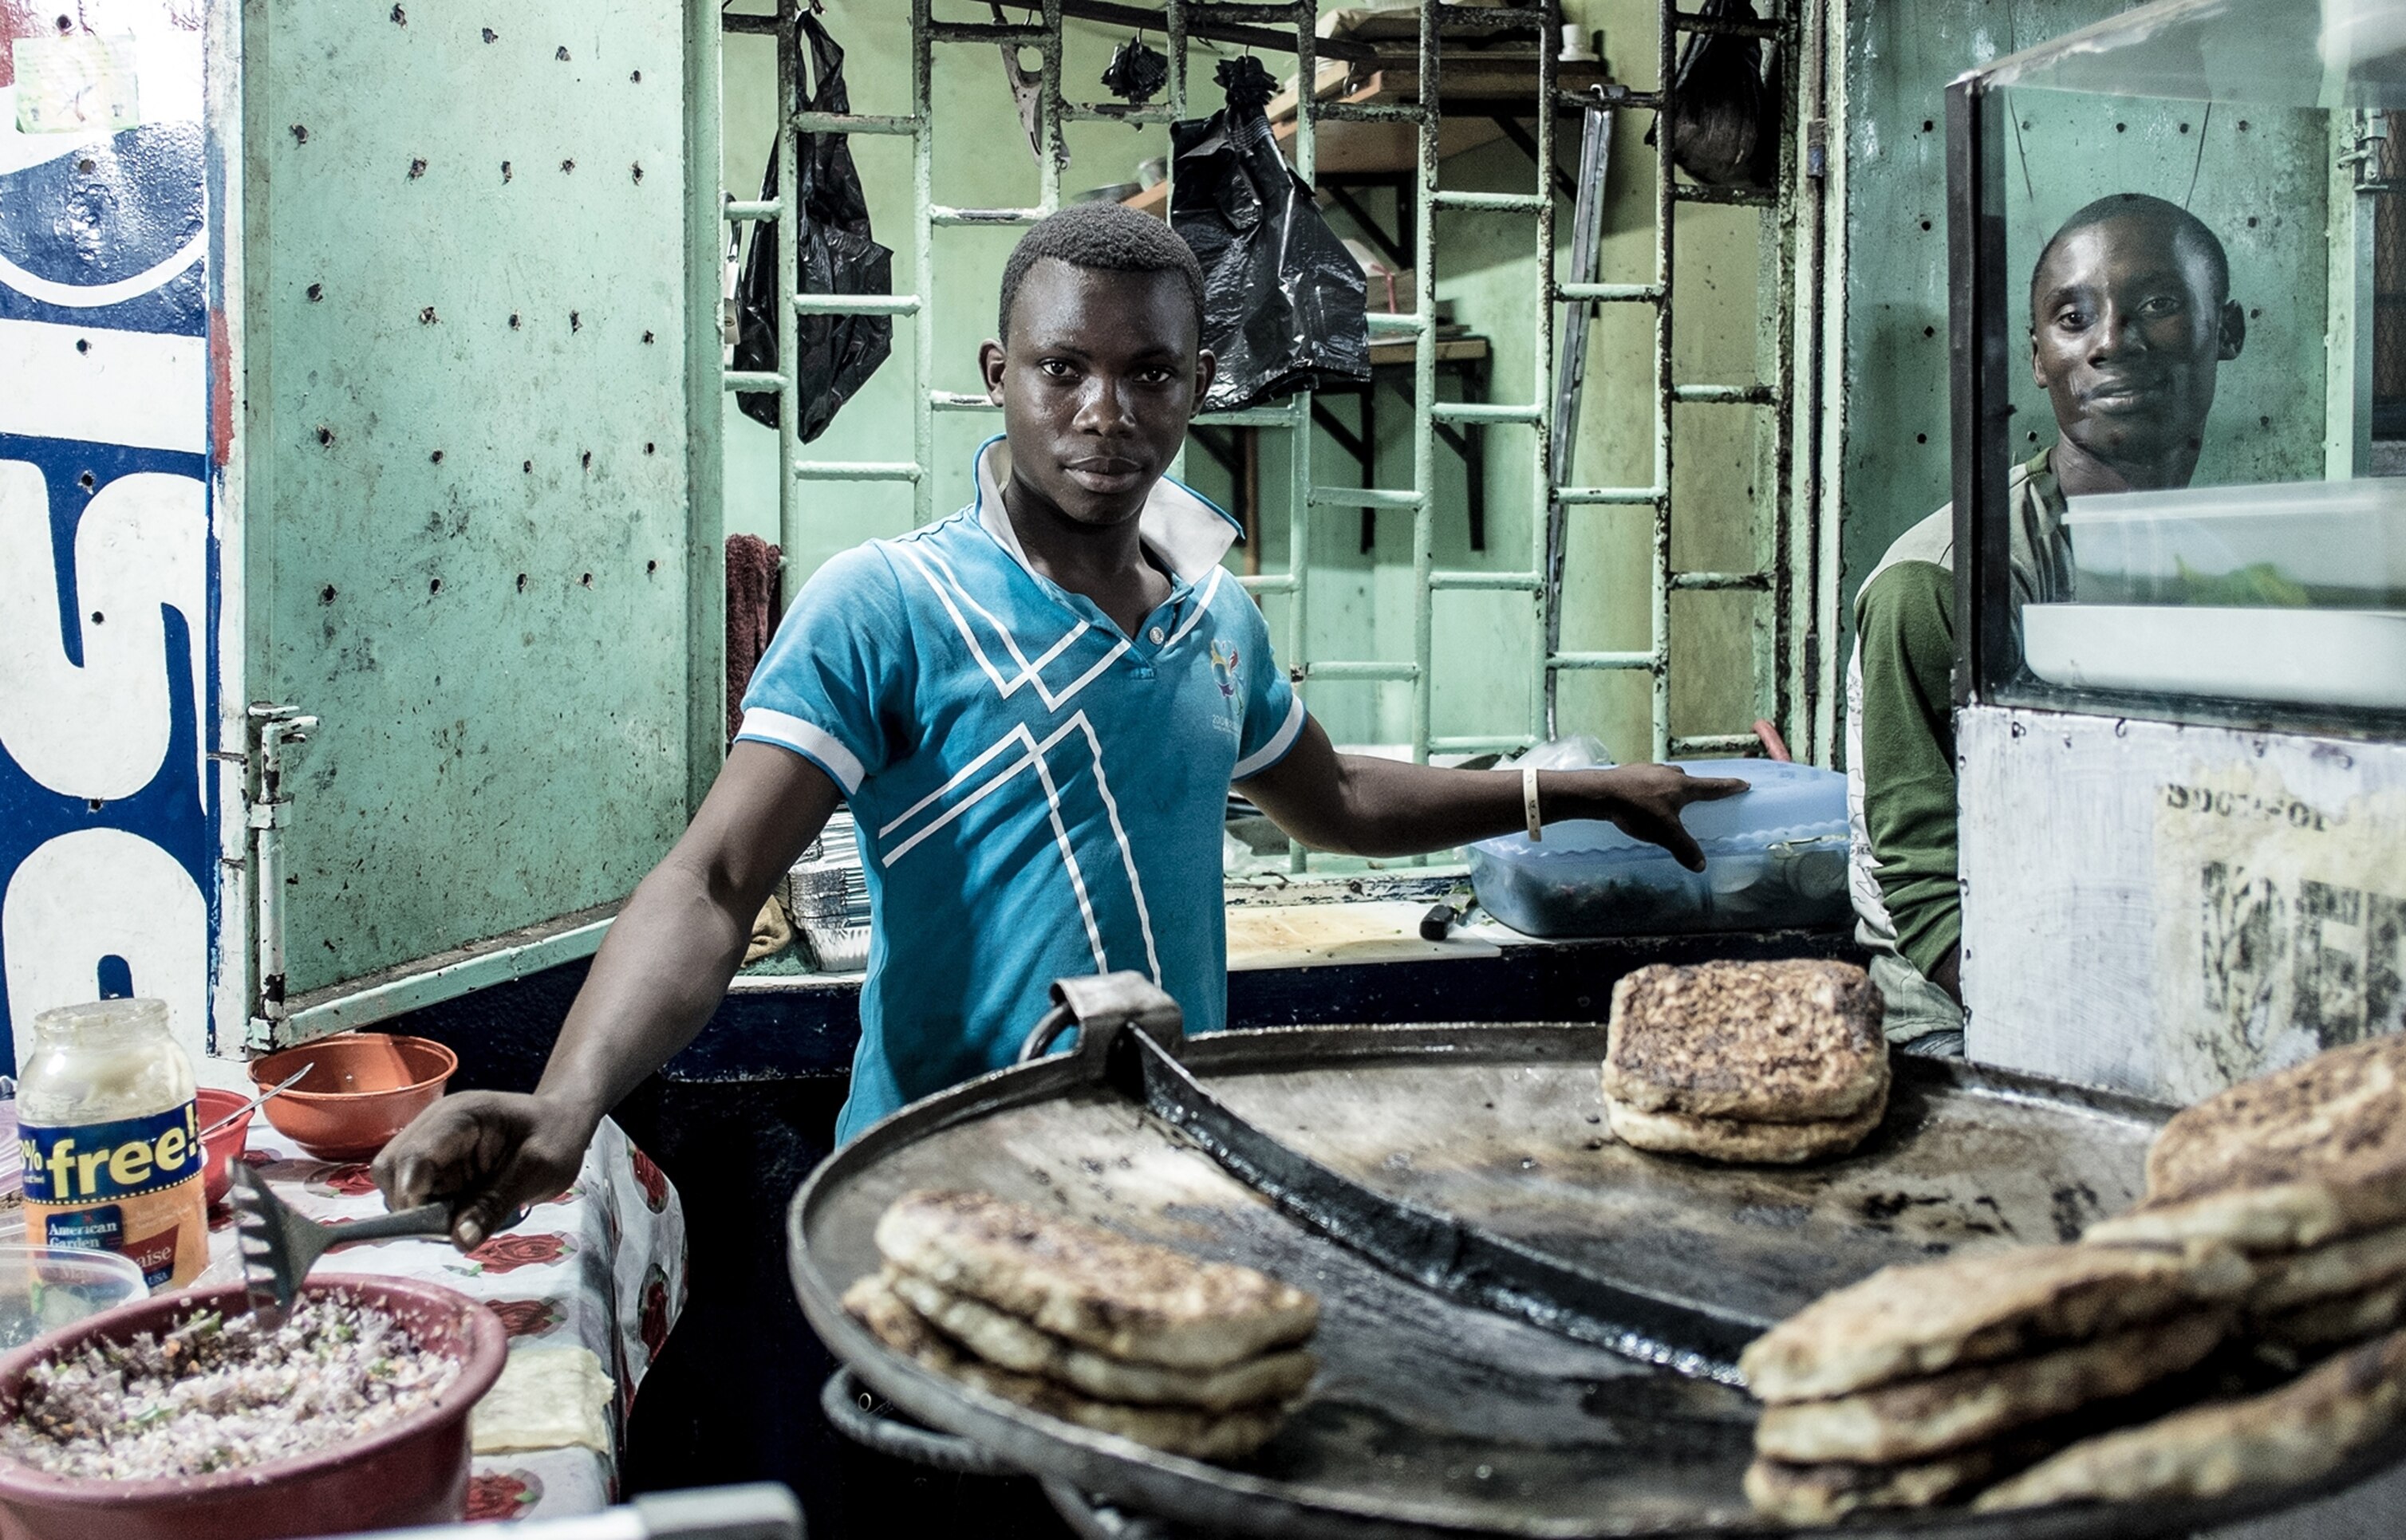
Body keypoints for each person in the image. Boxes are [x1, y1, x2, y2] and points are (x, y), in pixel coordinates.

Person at [373, 204, 1745, 1246]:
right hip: (932, 1189)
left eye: (1150, 374)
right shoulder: (888, 604)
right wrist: (568, 1102)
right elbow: (717, 879)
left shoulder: (1215, 621)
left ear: (1198, 382)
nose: (1107, 413)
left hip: (1167, 1178)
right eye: (1063, 369)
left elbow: (1337, 805)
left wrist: (1567, 793)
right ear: (998, 374)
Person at [1847, 192, 2246, 1050]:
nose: (2112, 341)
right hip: (1969, 1028)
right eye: (2074, 318)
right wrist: (2084, 1025)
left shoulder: (2223, 564)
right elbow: (1923, 888)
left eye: (2160, 305)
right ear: (2037, 356)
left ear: (2230, 328)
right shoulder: (1943, 579)